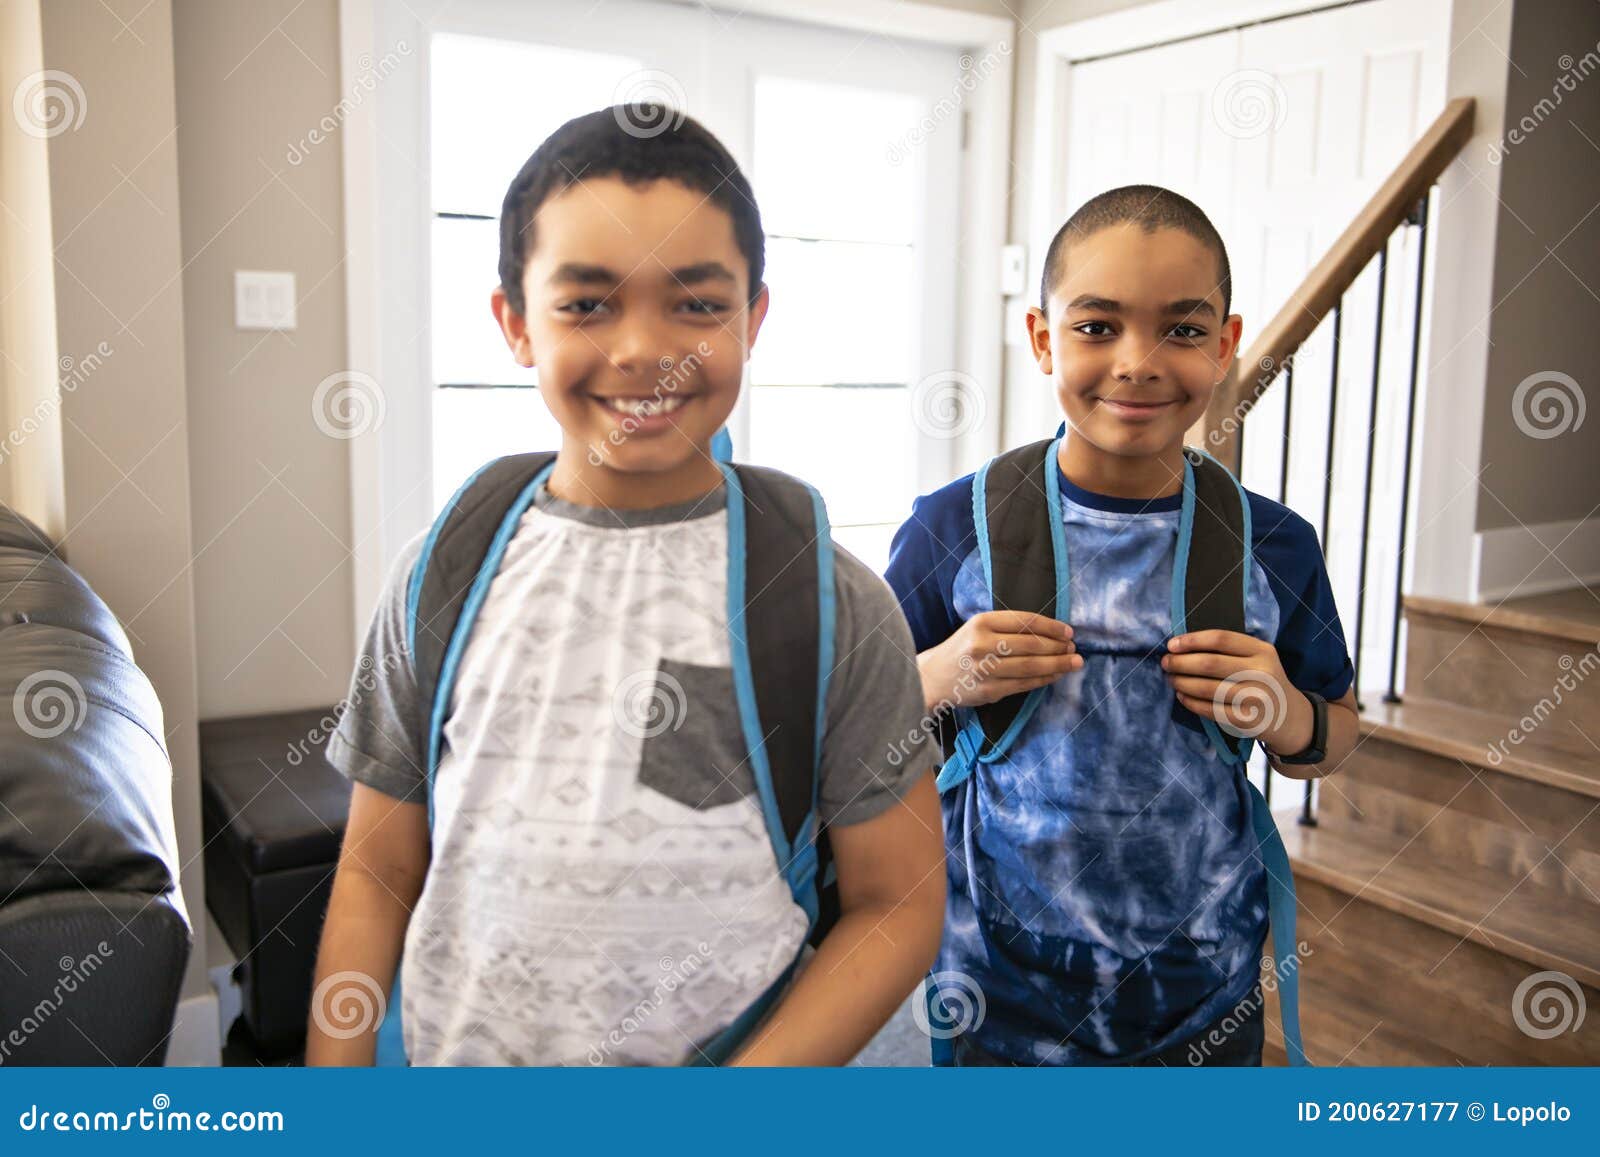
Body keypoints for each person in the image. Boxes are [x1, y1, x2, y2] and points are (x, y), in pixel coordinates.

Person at [306, 105, 944, 1067]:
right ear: (515, 322)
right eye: (588, 303)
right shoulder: (444, 570)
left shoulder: (830, 601)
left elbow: (895, 902)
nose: (646, 348)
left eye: (695, 304)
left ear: (752, 318)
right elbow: (376, 867)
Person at [885, 185, 1357, 1066]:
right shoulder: (954, 530)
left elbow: (1332, 736)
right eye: (1098, 327)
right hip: (991, 987)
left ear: (1225, 344)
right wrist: (942, 675)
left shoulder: (1275, 546)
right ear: (1041, 338)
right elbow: (855, 736)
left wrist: (1287, 712)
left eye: (1181, 330)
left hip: (1203, 996)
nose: (1137, 362)